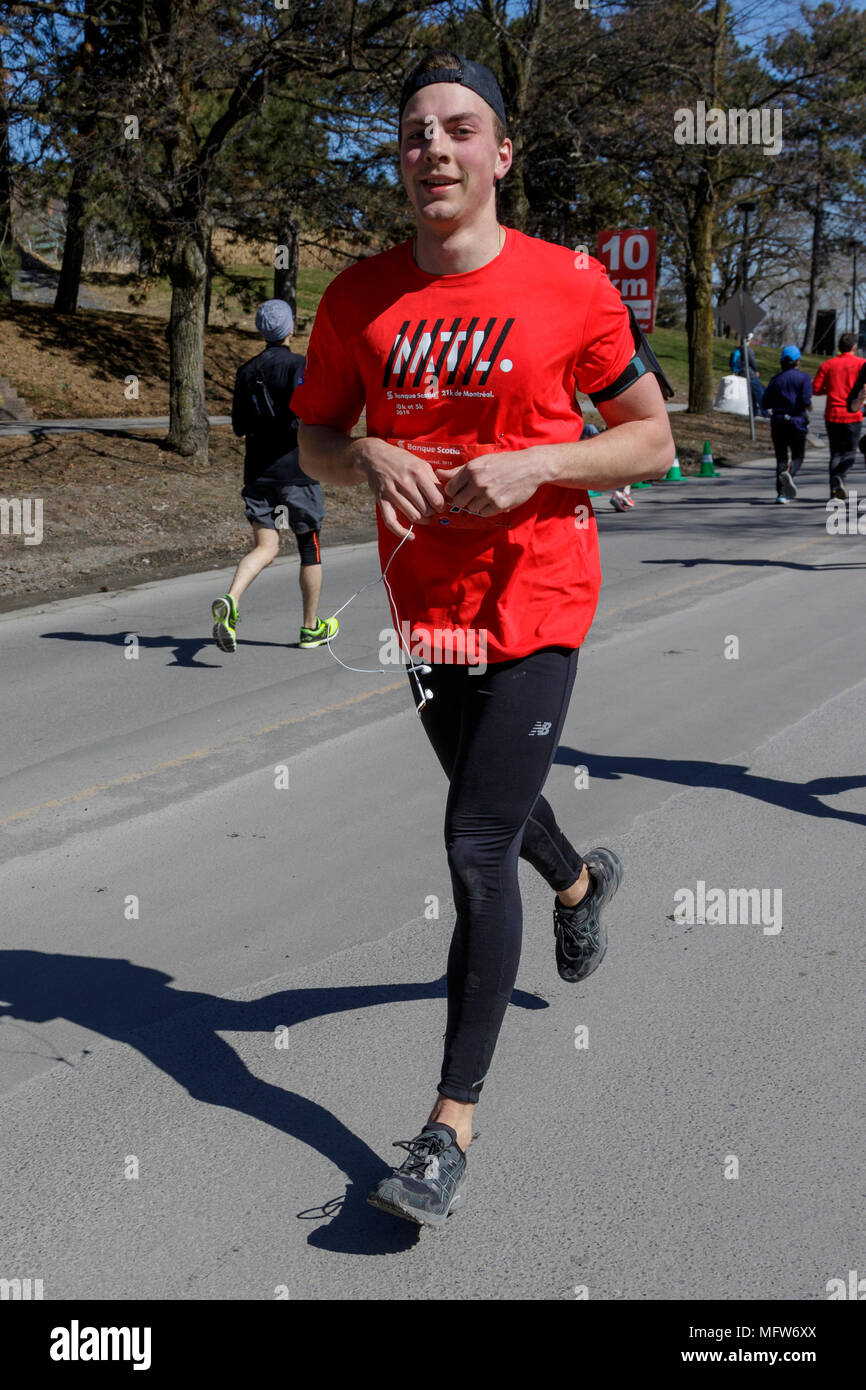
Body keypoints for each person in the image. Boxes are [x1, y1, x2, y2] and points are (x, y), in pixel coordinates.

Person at [291, 49, 675, 1227]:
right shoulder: (357, 296)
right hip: (426, 610)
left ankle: (446, 1131)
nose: (434, 150)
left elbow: (651, 440)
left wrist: (539, 462)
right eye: (413, 133)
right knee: (493, 807)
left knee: (468, 842)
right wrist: (362, 454)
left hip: (538, 601)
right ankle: (575, 878)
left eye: (459, 129)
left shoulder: (569, 287)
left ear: (500, 153)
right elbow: (309, 437)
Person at [211, 299, 338, 653]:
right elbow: (311, 413)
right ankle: (311, 629)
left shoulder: (245, 371)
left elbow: (238, 427)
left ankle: (232, 600)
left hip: (258, 474)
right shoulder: (300, 366)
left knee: (265, 547)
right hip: (298, 471)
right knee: (308, 547)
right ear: (290, 329)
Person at [812, 332, 865, 500]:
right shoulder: (861, 364)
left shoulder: (828, 365)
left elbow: (816, 388)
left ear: (838, 347)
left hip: (833, 413)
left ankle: (834, 489)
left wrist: (831, 389)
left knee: (835, 453)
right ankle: (841, 476)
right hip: (853, 415)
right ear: (854, 347)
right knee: (850, 451)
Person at [761, 345, 813, 504]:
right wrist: (808, 406)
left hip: (778, 422)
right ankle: (789, 474)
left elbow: (765, 403)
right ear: (798, 361)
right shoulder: (804, 378)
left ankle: (781, 493)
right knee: (798, 456)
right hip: (797, 422)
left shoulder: (775, 379)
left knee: (781, 458)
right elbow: (805, 401)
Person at [730, 333, 768, 417]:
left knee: (751, 394)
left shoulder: (738, 349)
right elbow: (752, 362)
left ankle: (754, 412)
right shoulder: (748, 350)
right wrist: (756, 370)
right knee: (759, 393)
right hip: (750, 375)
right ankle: (765, 413)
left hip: (742, 374)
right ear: (749, 340)